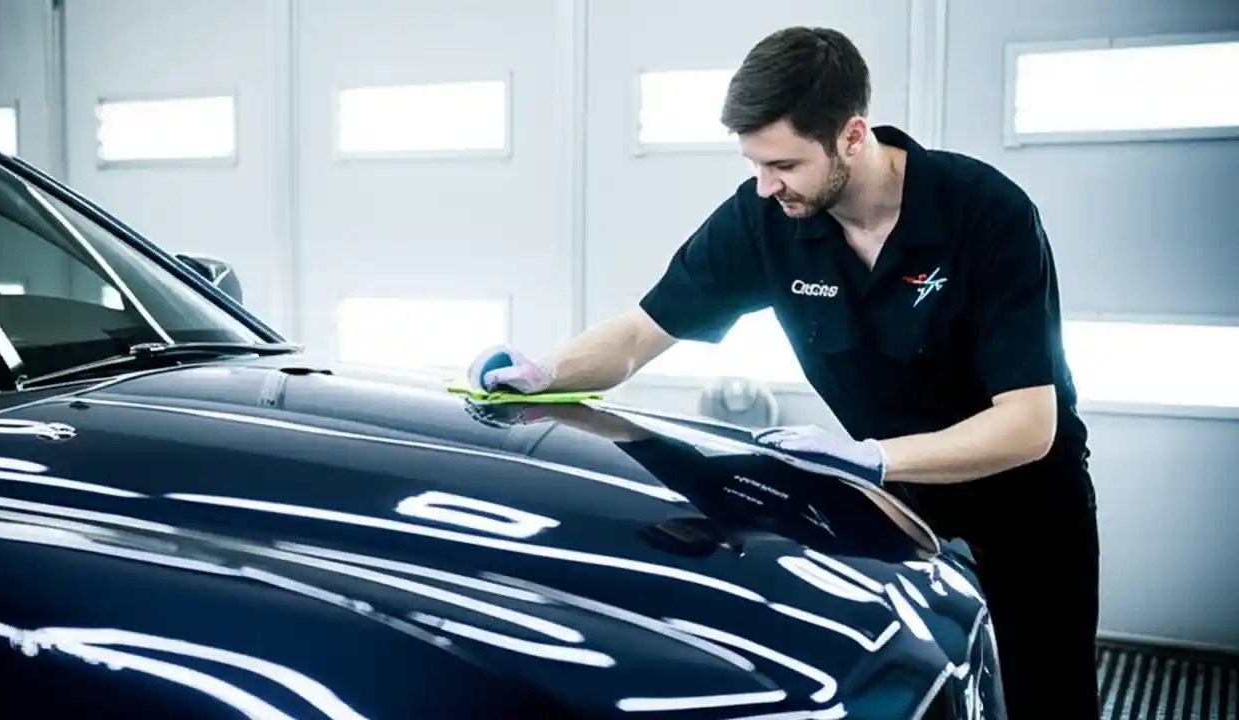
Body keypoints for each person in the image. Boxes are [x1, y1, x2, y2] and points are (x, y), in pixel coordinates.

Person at [466, 26, 1099, 718]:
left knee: (1046, 697)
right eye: (755, 165)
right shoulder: (764, 218)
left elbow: (1029, 423)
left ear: (852, 137)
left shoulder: (985, 212)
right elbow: (639, 334)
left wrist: (875, 458)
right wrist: (545, 371)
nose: (766, 186)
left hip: (1027, 506)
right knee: (923, 691)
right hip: (896, 502)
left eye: (785, 165)